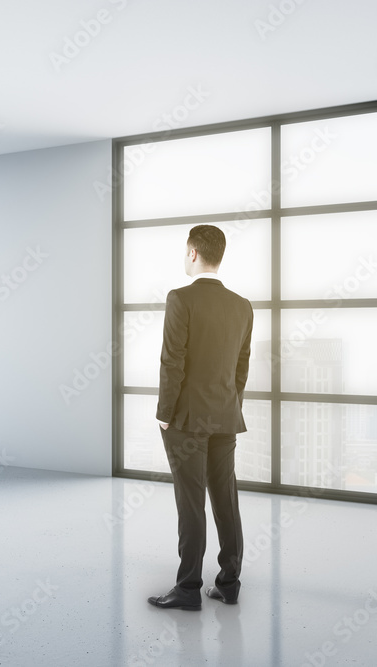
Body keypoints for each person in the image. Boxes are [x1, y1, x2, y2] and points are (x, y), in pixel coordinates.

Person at [147, 224, 253, 611]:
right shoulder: (242, 305)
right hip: (226, 416)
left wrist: (164, 413)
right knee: (226, 499)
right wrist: (231, 404)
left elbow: (171, 361)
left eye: (185, 251)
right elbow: (241, 367)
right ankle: (229, 583)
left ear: (193, 253)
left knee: (190, 502)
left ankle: (189, 588)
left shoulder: (180, 298)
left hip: (187, 420)